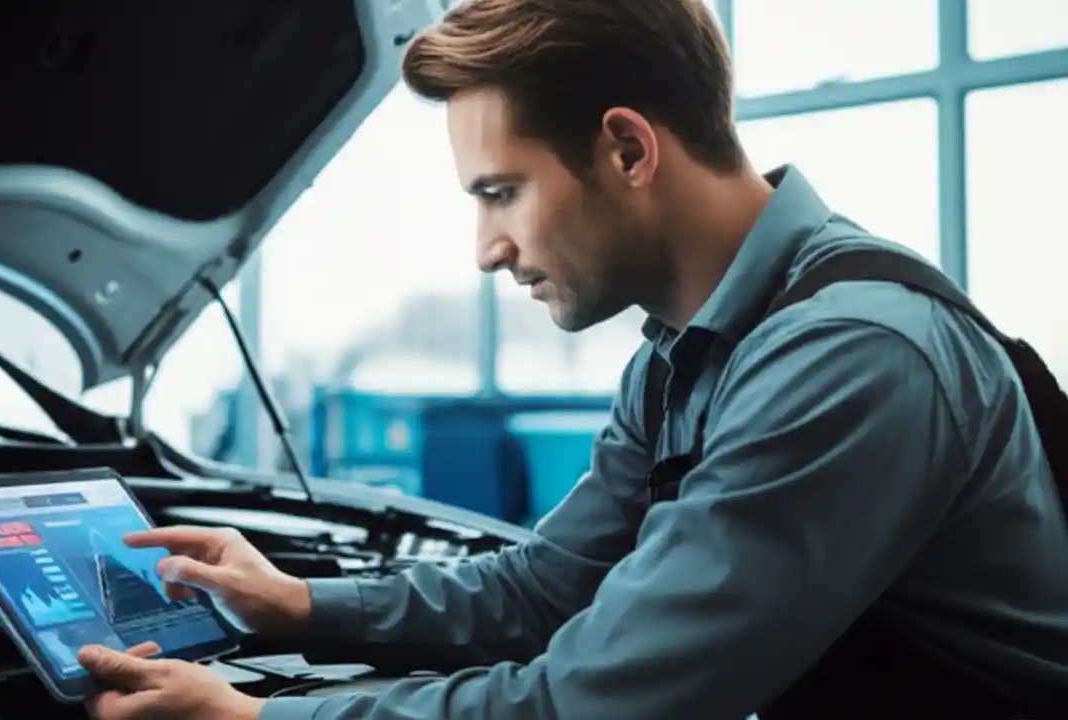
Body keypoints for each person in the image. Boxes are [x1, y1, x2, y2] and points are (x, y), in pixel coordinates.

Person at [74, 0, 1068, 718]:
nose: (486, 249)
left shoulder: (847, 356)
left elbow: (593, 702)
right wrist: (297, 604)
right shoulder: (689, 349)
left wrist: (255, 718)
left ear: (626, 150)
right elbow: (550, 589)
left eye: (499, 192)